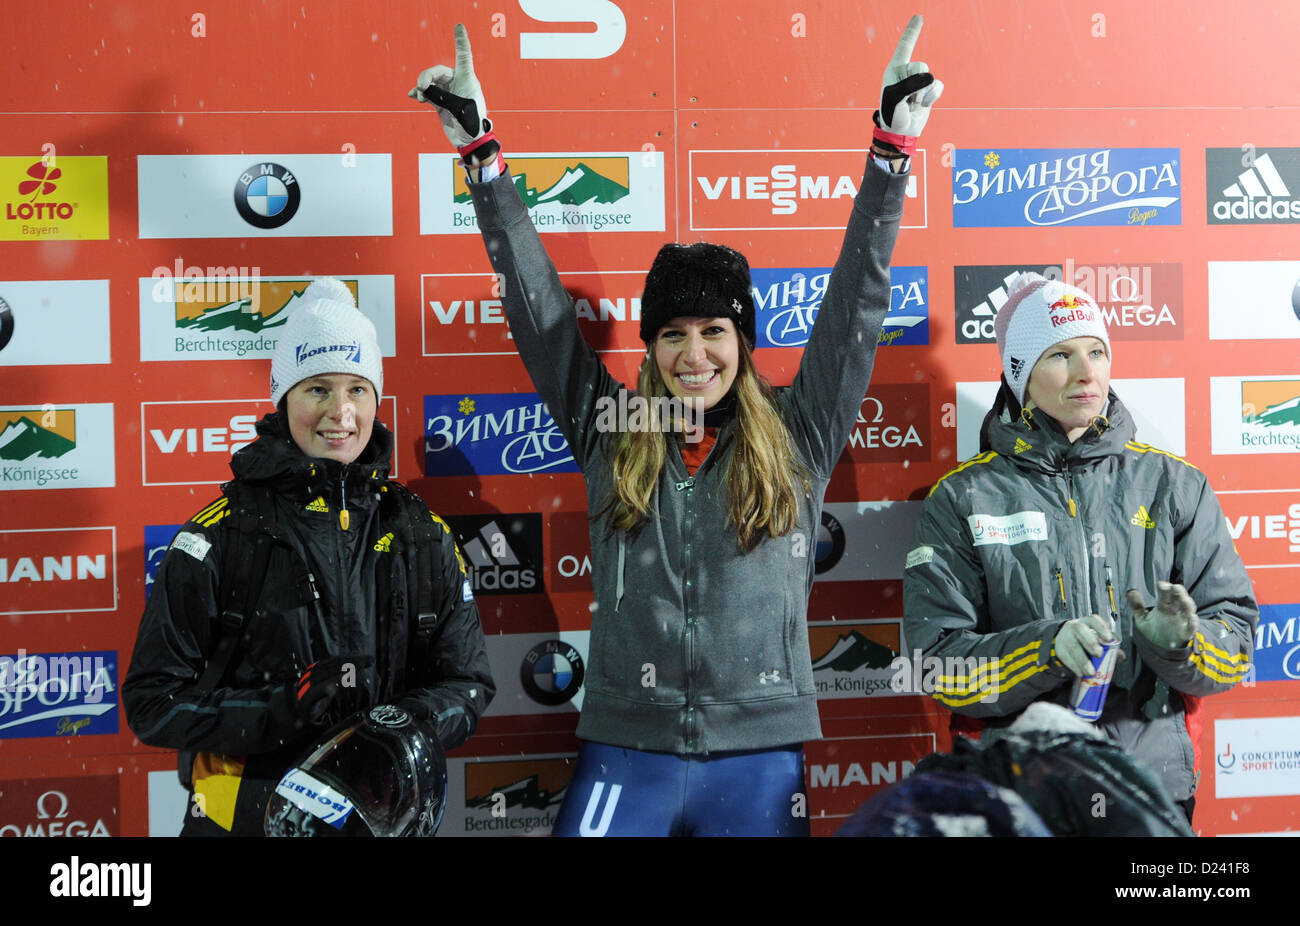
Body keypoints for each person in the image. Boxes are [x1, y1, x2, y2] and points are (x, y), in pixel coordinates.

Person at [411, 17, 941, 835]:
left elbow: (856, 305)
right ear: (652, 347)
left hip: (759, 758)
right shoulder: (615, 425)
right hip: (629, 745)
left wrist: (889, 159)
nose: (694, 355)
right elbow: (541, 316)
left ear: (743, 342)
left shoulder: (799, 432)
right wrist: (482, 160)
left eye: (714, 332)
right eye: (673, 334)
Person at [123, 279, 494, 836]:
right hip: (239, 820)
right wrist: (279, 712)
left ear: (376, 400)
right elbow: (153, 702)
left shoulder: (422, 534)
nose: (340, 412)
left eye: (357, 390)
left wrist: (399, 724)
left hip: (378, 819)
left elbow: (467, 684)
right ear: (284, 398)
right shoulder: (220, 536)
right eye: (317, 388)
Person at [902, 271, 1257, 822]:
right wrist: (1046, 650)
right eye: (1061, 355)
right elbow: (935, 665)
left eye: (1097, 350)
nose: (1088, 372)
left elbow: (1233, 648)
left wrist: (1181, 645)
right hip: (1020, 792)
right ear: (1020, 374)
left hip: (1147, 788)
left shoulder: (1175, 484)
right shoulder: (963, 497)